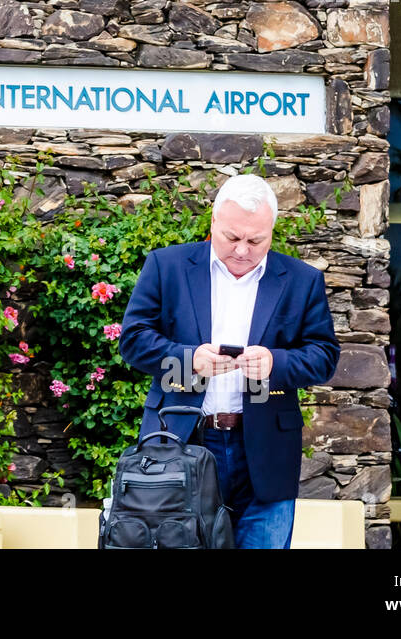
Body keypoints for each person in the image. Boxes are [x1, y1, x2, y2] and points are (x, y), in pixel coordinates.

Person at [118, 173, 340, 548]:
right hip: (182, 441)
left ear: (272, 230)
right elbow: (134, 341)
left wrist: (275, 364)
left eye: (256, 240)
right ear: (213, 223)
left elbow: (324, 356)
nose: (242, 250)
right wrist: (188, 361)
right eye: (232, 238)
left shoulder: (302, 280)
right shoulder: (166, 266)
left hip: (266, 448)